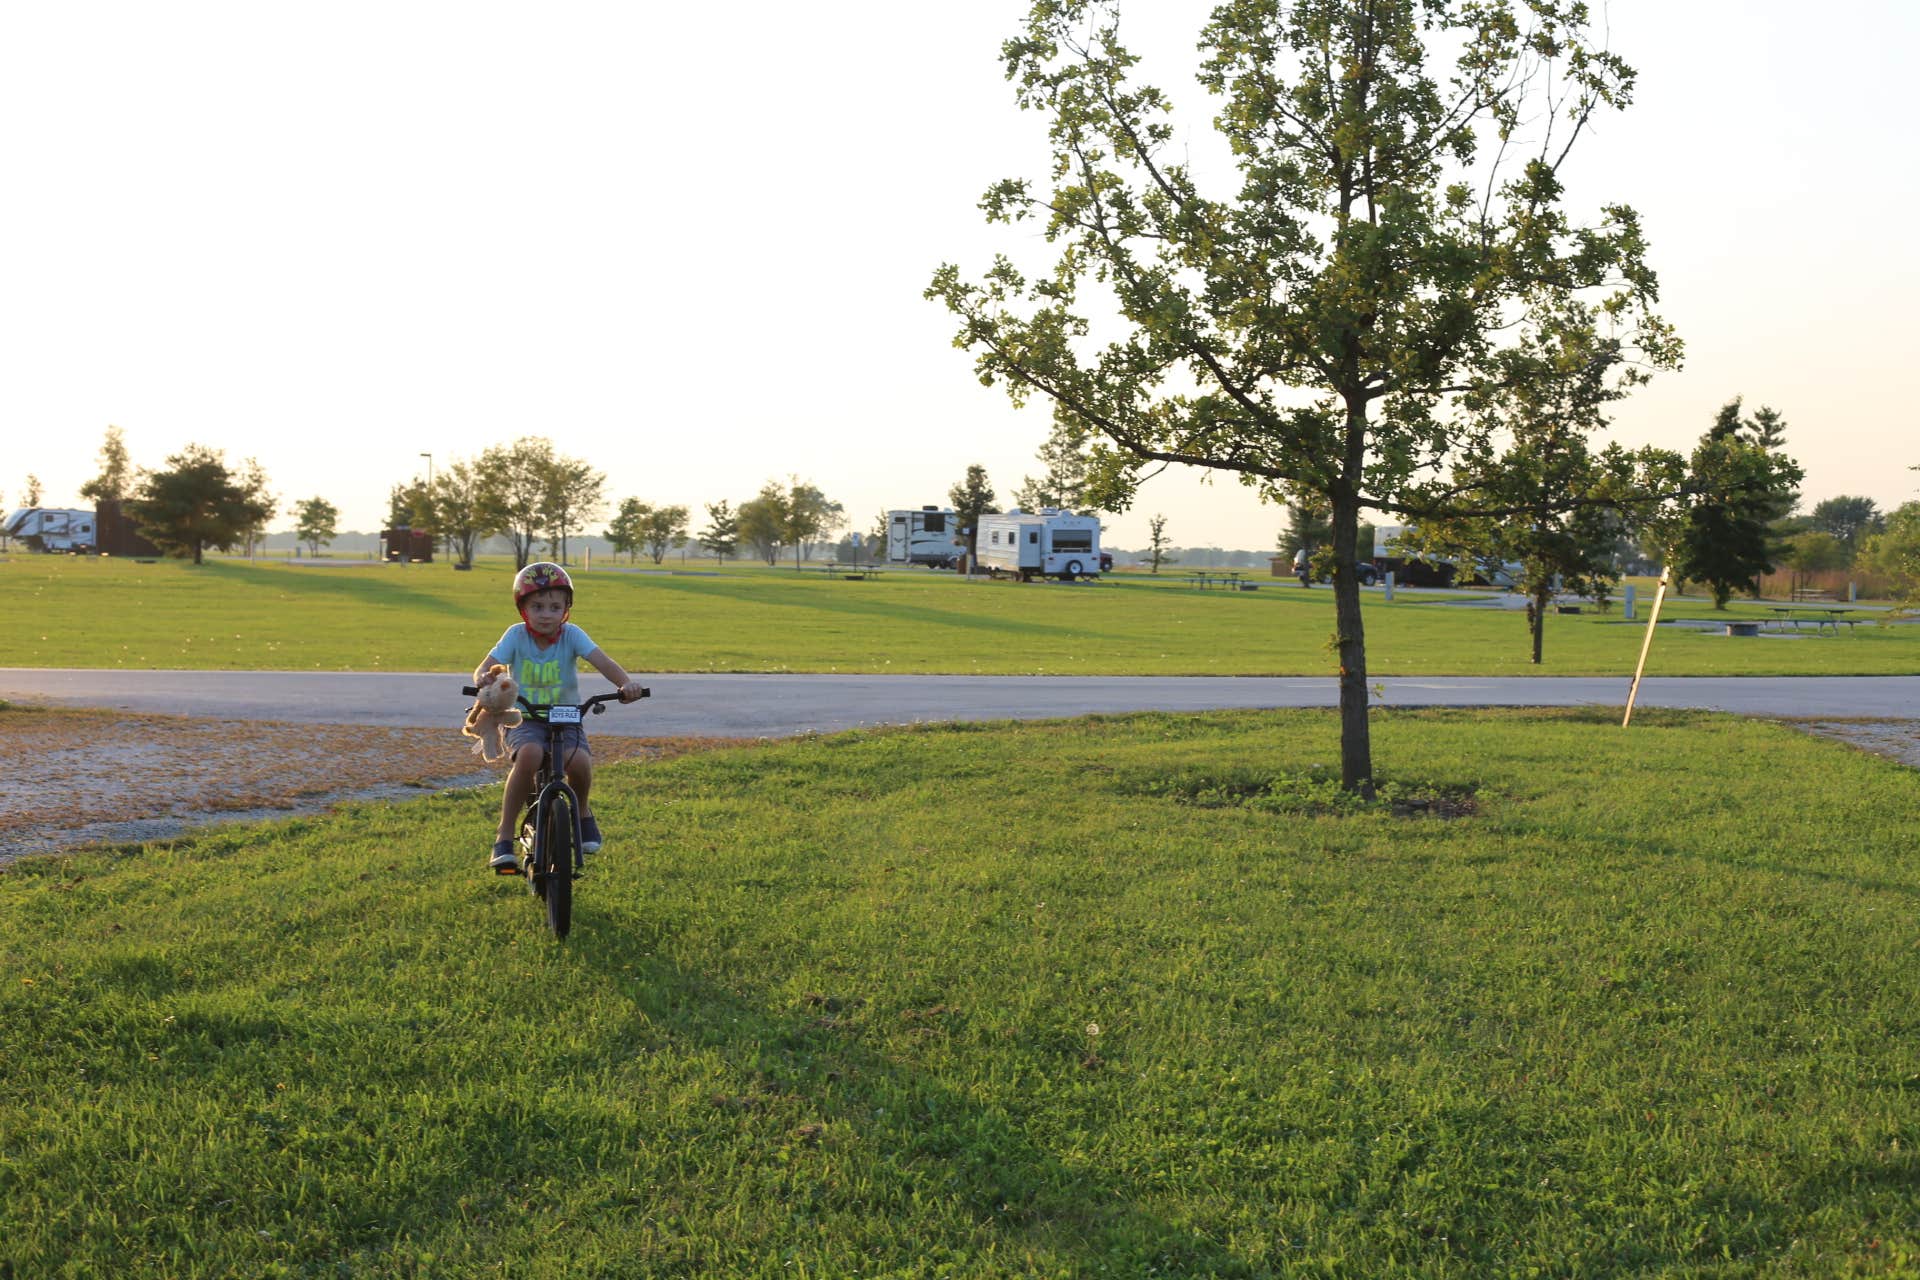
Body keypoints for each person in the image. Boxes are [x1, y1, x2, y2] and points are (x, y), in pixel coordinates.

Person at [475, 561, 646, 872]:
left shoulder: (572, 635)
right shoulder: (516, 636)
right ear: (523, 608)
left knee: (579, 761)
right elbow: (485, 666)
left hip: (566, 718)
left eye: (555, 607)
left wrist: (625, 684)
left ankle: (582, 813)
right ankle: (503, 836)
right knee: (529, 754)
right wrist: (484, 678)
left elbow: (602, 661)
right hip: (524, 717)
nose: (546, 614)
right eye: (537, 606)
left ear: (566, 609)